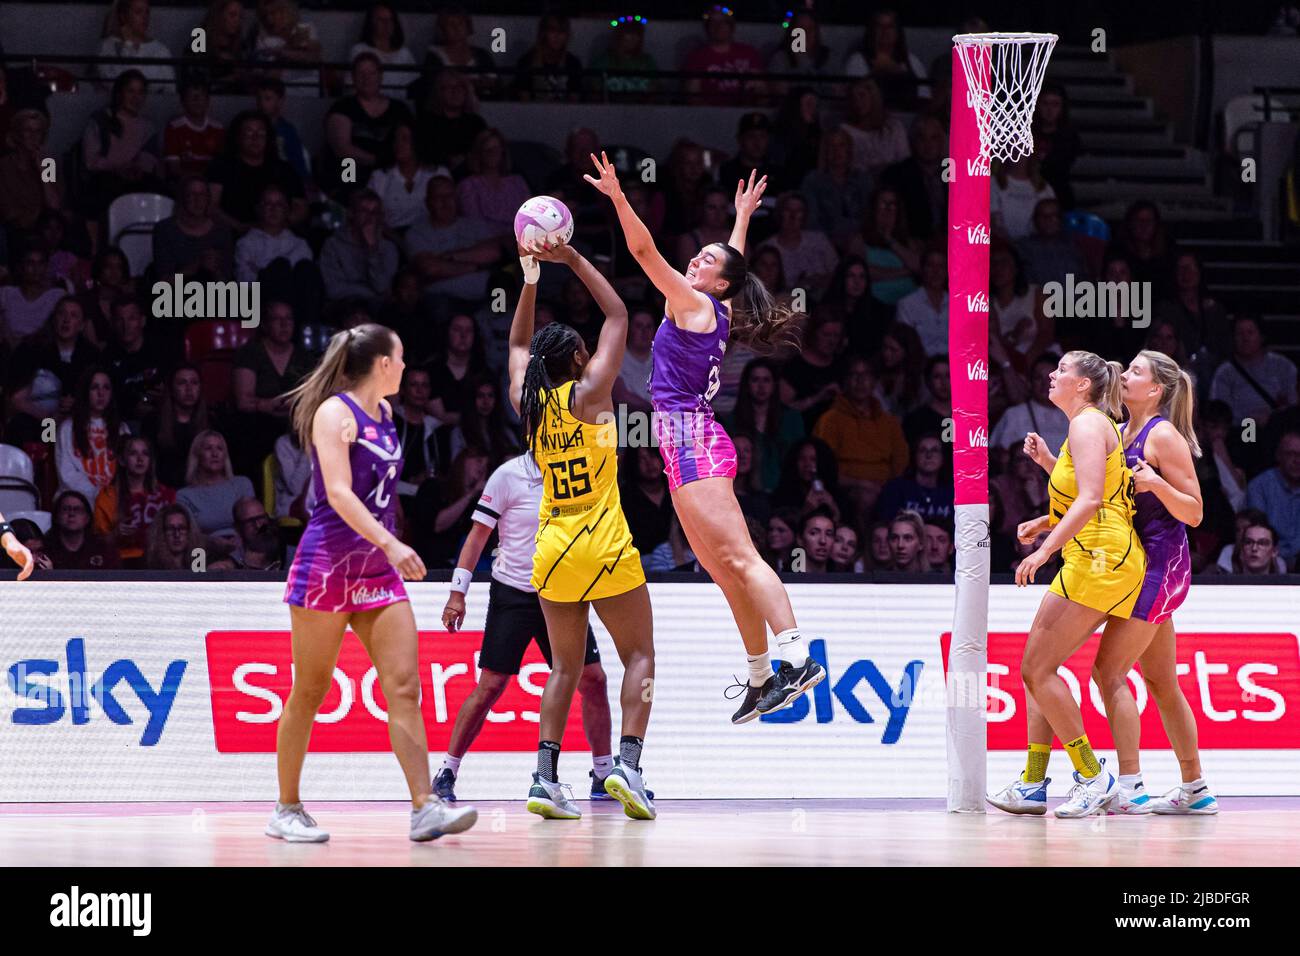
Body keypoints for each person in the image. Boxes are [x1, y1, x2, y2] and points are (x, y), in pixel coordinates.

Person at [590, 154, 826, 723]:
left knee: (741, 558)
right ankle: (760, 676)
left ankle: (798, 657)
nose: (696, 257)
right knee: (722, 570)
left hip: (693, 440)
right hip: (684, 446)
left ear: (718, 282)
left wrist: (618, 197)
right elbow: (732, 265)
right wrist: (741, 218)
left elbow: (644, 253)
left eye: (706, 259)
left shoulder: (693, 302)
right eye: (699, 252)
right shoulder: (717, 301)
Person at [276, 323, 477, 842]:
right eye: (401, 358)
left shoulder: (387, 415)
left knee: (405, 686)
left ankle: (424, 806)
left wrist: (386, 547)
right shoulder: (335, 415)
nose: (407, 367)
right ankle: (287, 808)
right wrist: (391, 543)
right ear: (383, 363)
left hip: (376, 572)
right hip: (327, 568)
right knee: (310, 690)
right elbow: (339, 493)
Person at [998, 350, 1216, 815]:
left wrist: (1158, 485)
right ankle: (1194, 787)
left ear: (1155, 389)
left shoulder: (1162, 435)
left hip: (1159, 565)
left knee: (1103, 672)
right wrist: (1048, 498)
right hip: (1127, 555)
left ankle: (1126, 783)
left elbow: (1196, 513)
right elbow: (1099, 496)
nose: (1124, 373)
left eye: (1136, 371)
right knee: (1160, 681)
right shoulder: (1117, 429)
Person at [507, 236, 656, 820]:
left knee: (564, 668)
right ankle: (628, 766)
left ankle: (544, 778)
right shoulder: (592, 393)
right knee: (639, 654)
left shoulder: (529, 404)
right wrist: (570, 259)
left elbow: (518, 344)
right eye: (585, 349)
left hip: (551, 548)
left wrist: (530, 276)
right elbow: (618, 314)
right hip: (605, 544)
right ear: (576, 359)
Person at [1000, 351, 1146, 818]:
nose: (1052, 373)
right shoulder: (1086, 426)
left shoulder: (1086, 425)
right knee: (1037, 671)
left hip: (1100, 560)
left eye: (1062, 369)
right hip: (1102, 555)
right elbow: (1092, 493)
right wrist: (1048, 466)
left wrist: (1043, 551)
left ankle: (1092, 776)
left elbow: (1091, 501)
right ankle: (1032, 782)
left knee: (1036, 670)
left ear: (1083, 384)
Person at [437, 451, 625, 802]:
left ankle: (602, 774)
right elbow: (478, 536)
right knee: (491, 685)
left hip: (562, 593)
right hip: (514, 592)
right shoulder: (508, 475)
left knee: (594, 679)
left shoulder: (575, 472)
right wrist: (457, 594)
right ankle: (447, 771)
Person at [323, 53, 414, 196]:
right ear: (353, 77)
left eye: (372, 73)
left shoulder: (399, 109)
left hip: (390, 170)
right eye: (361, 73)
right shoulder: (342, 107)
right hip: (353, 170)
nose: (366, 78)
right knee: (347, 164)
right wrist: (377, 161)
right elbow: (342, 149)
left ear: (380, 76)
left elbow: (409, 142)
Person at [93, 434, 174, 566]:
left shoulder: (164, 494)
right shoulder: (107, 496)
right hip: (120, 561)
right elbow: (98, 542)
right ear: (122, 460)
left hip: (157, 559)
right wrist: (116, 534)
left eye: (145, 454)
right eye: (133, 453)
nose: (140, 459)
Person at [320, 188, 400, 308]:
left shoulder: (388, 248)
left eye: (375, 212)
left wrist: (372, 250)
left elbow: (382, 287)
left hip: (377, 309)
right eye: (364, 211)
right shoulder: (333, 245)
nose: (370, 217)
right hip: (343, 307)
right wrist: (369, 293)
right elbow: (333, 289)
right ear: (352, 214)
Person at [176, 430, 255, 550]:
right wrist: (211, 542)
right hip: (203, 550)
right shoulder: (184, 495)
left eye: (220, 448)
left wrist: (241, 540)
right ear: (197, 455)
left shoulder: (242, 484)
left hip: (243, 548)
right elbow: (187, 535)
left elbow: (256, 524)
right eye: (208, 448)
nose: (215, 454)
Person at [367, 122, 449, 231]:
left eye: (405, 139)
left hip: (433, 234)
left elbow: (449, 211)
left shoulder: (438, 173)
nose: (398, 144)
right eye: (395, 140)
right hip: (391, 235)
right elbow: (370, 215)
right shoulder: (379, 177)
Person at [153, 175, 235, 282]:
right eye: (191, 195)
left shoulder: (222, 231)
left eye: (202, 195)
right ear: (182, 198)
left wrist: (215, 270)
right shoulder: (164, 230)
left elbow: (227, 280)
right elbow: (163, 280)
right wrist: (195, 267)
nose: (198, 200)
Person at [1245, 429, 1300, 566]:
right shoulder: (1260, 486)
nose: (1297, 461)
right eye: (1291, 454)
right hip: (1270, 561)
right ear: (1278, 456)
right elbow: (1258, 532)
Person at [96, 0, 175, 85]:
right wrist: (128, 44)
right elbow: (114, 82)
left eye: (147, 12)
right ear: (123, 16)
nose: (145, 17)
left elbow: (170, 88)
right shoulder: (107, 46)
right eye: (138, 12)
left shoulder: (160, 50)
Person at [162, 76, 225, 181]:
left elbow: (223, 165)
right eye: (191, 97)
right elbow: (174, 168)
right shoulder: (174, 127)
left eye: (201, 96)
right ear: (183, 101)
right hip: (185, 182)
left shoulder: (218, 128)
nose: (197, 101)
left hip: (212, 182)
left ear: (208, 100)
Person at [43, 490, 123, 570]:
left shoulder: (103, 548)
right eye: (65, 509)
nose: (71, 514)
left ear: (87, 518)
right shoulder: (46, 548)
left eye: (77, 509)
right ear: (56, 516)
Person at [512, 13, 583, 103]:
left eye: (562, 31)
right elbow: (524, 101)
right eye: (552, 30)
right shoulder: (527, 61)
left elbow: (574, 102)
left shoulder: (573, 63)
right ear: (543, 33)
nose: (557, 36)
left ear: (567, 35)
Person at [229, 498, 283, 570]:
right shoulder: (231, 564)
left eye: (261, 518)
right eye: (250, 521)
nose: (258, 526)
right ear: (238, 528)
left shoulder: (292, 556)